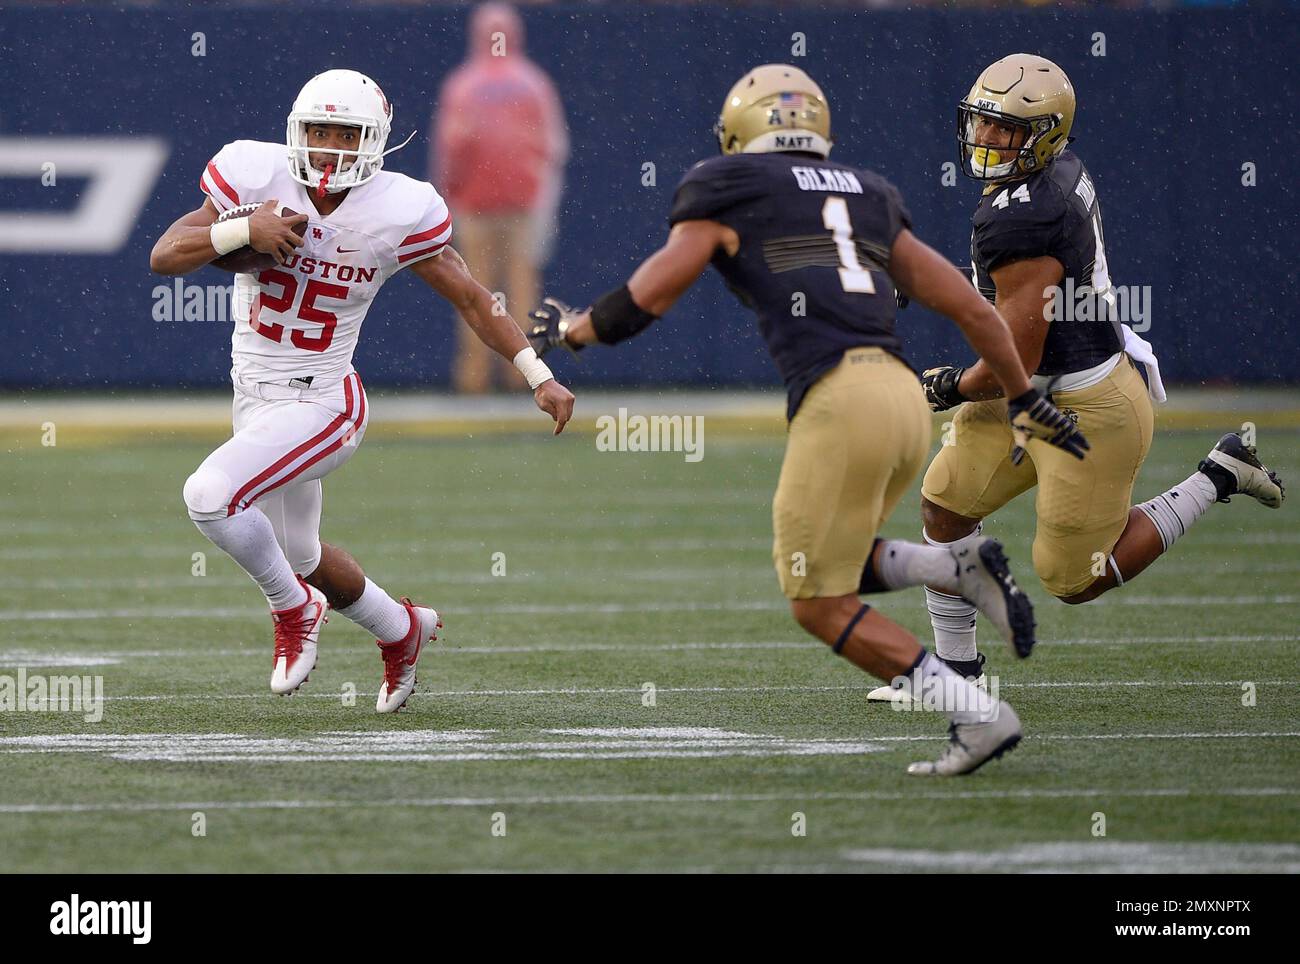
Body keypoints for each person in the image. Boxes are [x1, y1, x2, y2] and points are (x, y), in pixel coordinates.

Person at [527, 64, 1091, 776]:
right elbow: (973, 310)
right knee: (831, 556)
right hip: (902, 397)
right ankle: (950, 564)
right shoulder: (870, 193)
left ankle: (979, 717)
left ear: (740, 131)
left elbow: (652, 295)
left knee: (815, 601)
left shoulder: (725, 184)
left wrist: (576, 330)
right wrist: (1020, 396)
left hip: (839, 402)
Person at [149, 69, 573, 713]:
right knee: (301, 552)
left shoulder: (398, 207)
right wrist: (241, 232)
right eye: (317, 131)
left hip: (325, 401)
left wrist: (537, 375)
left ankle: (293, 608)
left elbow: (472, 298)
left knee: (210, 498)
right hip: (256, 397)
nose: (328, 147)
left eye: (344, 133)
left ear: (374, 140)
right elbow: (166, 254)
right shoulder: (254, 175)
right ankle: (402, 630)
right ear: (296, 132)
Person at [873, 54, 1284, 702]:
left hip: (1083, 408)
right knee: (946, 502)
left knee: (1074, 578)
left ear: (1044, 135)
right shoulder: (1047, 175)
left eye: (1004, 130)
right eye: (982, 123)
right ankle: (957, 674)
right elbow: (1001, 289)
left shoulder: (1025, 213)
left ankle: (1219, 474)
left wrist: (946, 386)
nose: (985, 140)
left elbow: (1015, 360)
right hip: (1041, 388)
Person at [434, 2, 569, 394]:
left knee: (471, 294)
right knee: (522, 294)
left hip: (475, 206)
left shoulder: (463, 85)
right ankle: (527, 380)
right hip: (522, 206)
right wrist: (545, 202)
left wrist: (447, 201)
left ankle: (474, 381)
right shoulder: (534, 83)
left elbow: (449, 151)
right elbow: (553, 149)